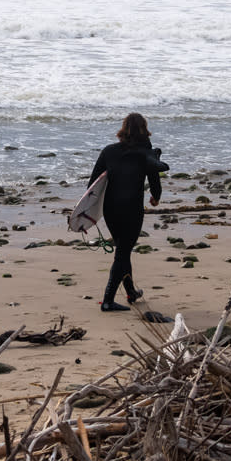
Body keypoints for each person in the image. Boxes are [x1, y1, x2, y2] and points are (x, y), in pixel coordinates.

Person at [91, 112, 167, 311]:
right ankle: (107, 300)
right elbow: (154, 179)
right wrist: (156, 197)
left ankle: (131, 291)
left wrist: (90, 212)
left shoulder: (108, 151)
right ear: (144, 130)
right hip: (131, 208)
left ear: (123, 129)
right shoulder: (146, 153)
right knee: (123, 252)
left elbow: (93, 185)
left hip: (111, 209)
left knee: (123, 249)